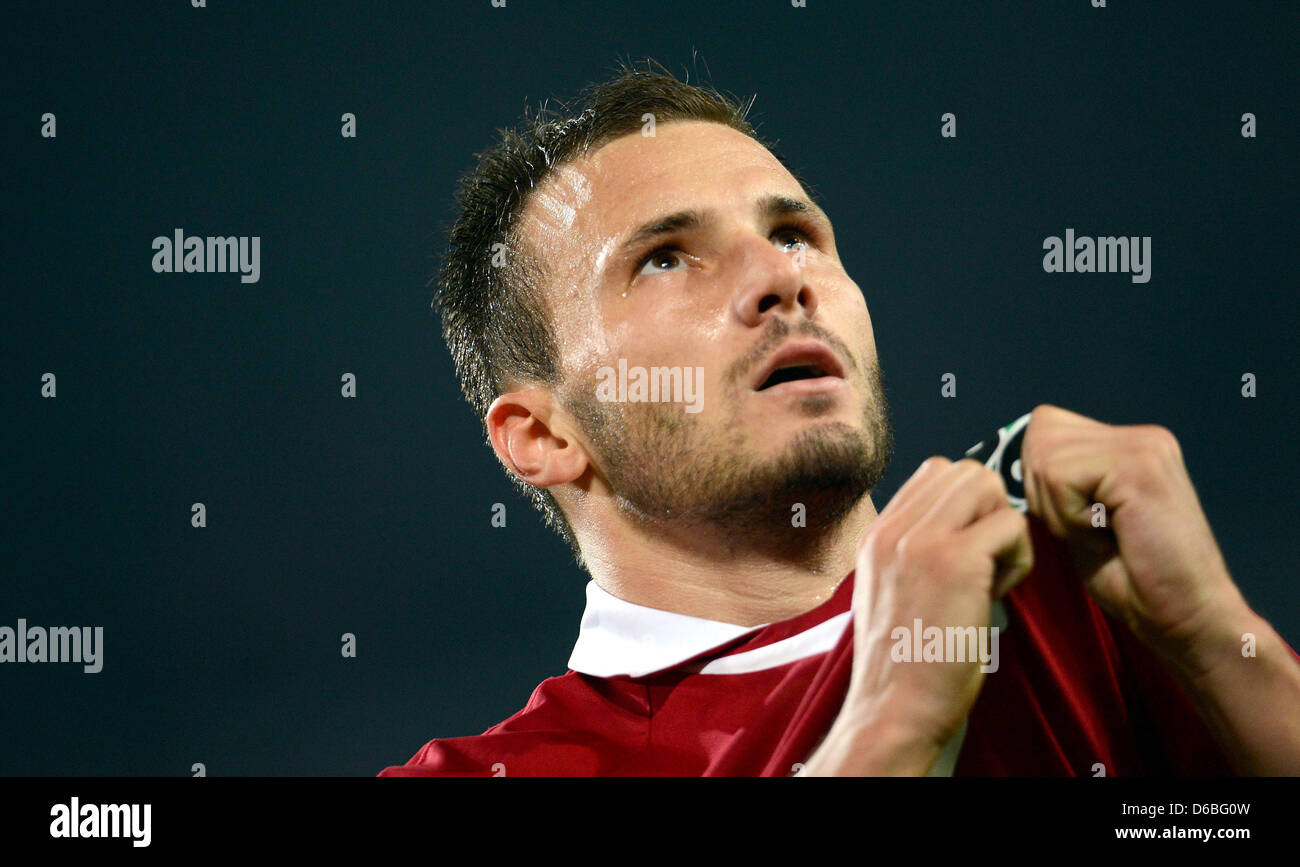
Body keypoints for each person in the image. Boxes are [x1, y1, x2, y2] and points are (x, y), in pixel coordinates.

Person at [380, 61, 1300, 777]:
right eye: (665, 259)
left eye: (792, 234)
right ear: (542, 436)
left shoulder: (1078, 595)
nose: (782, 278)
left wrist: (1215, 637)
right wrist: (892, 728)